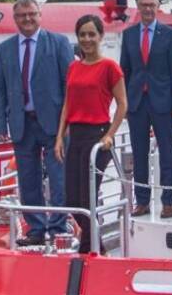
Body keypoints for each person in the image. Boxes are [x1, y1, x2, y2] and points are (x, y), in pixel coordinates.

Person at [0, 0, 73, 246]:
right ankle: (36, 228)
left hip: (54, 124)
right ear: (14, 18)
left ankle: (58, 227)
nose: (27, 19)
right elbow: (0, 89)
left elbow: (69, 85)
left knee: (59, 179)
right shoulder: (4, 49)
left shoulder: (58, 43)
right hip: (21, 123)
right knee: (28, 180)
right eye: (21, 15)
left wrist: (68, 121)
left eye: (31, 14)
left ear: (40, 15)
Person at [54, 14, 127, 250]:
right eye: (82, 34)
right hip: (75, 137)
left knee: (88, 198)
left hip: (97, 137)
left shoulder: (109, 67)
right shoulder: (73, 67)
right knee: (73, 200)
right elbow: (68, 103)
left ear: (100, 36)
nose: (87, 39)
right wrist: (60, 137)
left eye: (91, 34)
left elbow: (122, 104)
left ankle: (92, 249)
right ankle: (94, 246)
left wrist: (110, 134)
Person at [119, 0, 172, 219]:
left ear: (158, 7)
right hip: (137, 102)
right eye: (144, 5)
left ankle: (169, 201)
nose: (147, 9)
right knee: (139, 153)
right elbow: (124, 71)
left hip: (163, 102)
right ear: (138, 7)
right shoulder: (128, 35)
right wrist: (124, 103)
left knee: (167, 152)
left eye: (151, 5)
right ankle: (142, 201)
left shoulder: (169, 35)